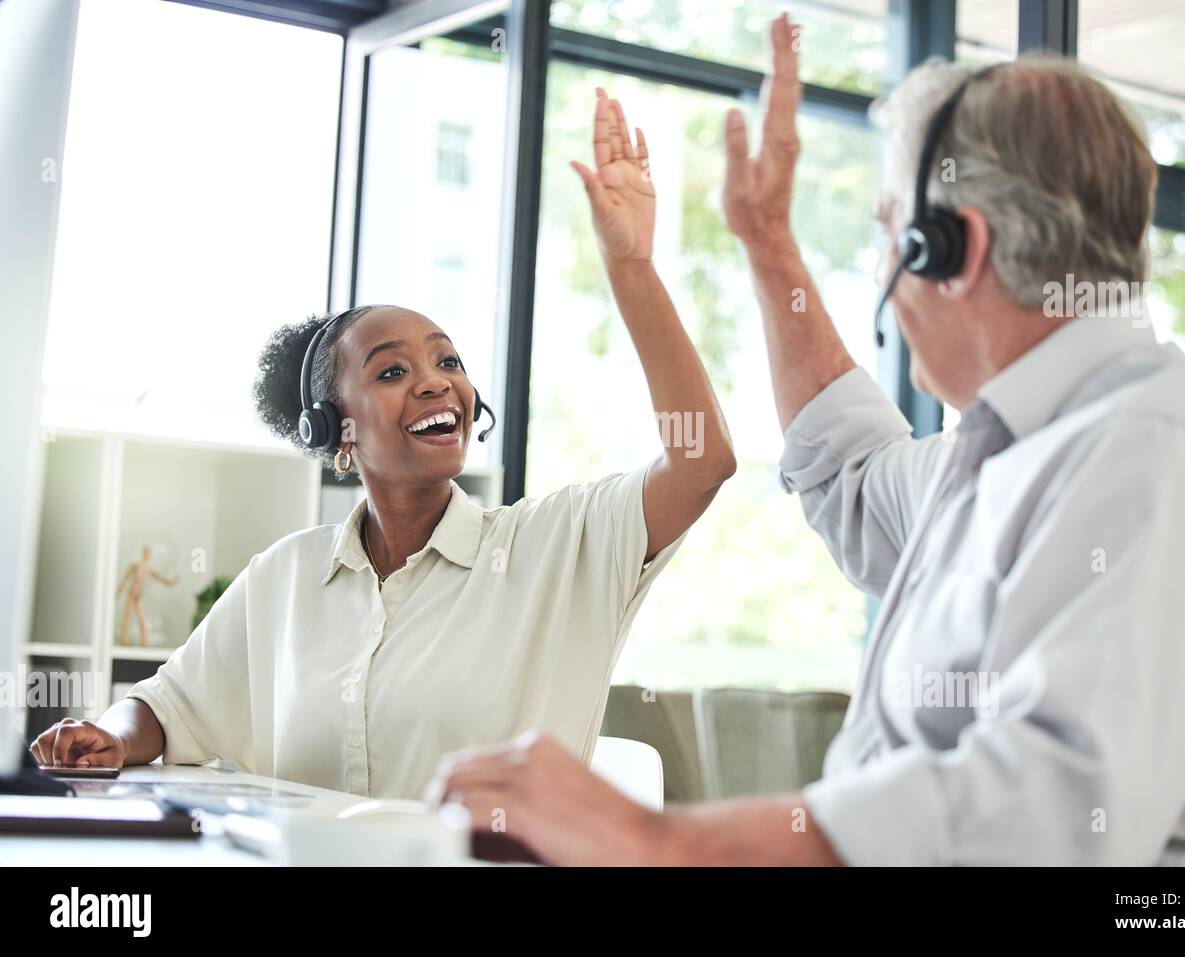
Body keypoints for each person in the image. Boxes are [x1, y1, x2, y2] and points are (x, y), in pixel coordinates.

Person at [428, 14, 1185, 866]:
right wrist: (766, 243)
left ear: (949, 248)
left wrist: (660, 841)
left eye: (890, 231)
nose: (885, 265)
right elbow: (849, 468)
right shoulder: (1011, 449)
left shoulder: (1164, 451)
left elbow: (1047, 820)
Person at [28, 90, 736, 800]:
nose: (435, 384)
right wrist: (112, 735)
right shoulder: (287, 577)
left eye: (449, 362)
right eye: (393, 371)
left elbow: (702, 460)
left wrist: (632, 269)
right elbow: (166, 705)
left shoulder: (553, 545)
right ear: (335, 430)